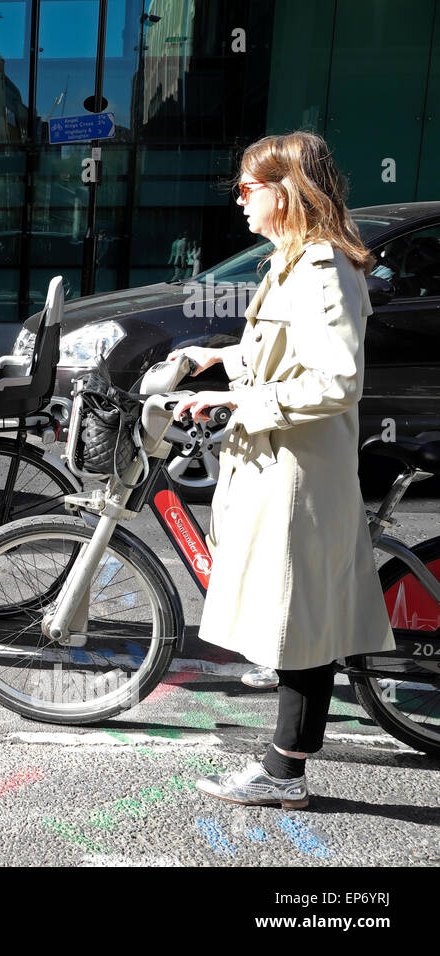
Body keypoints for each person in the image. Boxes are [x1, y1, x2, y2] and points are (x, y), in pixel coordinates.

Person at [169, 131, 394, 808]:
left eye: (247, 188)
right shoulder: (294, 262)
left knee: (299, 623)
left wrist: (237, 398)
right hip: (282, 464)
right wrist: (220, 359)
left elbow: (334, 382)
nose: (239, 202)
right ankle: (285, 763)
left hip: (297, 471)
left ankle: (283, 772)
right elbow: (280, 353)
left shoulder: (322, 266)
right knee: (301, 618)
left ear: (285, 193)